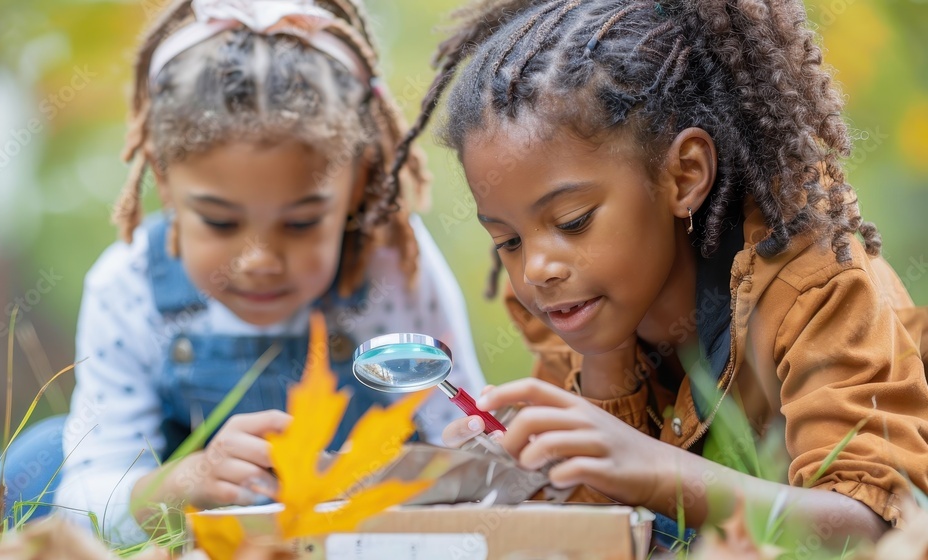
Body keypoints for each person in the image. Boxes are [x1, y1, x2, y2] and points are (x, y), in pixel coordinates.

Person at [391, 0, 928, 549]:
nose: (536, 270)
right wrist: (517, 474)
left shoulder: (813, 287)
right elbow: (600, 525)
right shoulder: (574, 307)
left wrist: (652, 467)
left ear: (685, 175)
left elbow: (874, 526)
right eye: (507, 240)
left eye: (573, 222)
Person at [7, 0, 487, 545]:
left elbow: (463, 435)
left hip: (351, 533)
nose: (259, 260)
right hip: (199, 539)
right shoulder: (129, 286)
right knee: (41, 462)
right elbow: (86, 500)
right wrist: (188, 479)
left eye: (303, 222)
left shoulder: (390, 265)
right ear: (163, 182)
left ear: (354, 186)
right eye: (220, 221)